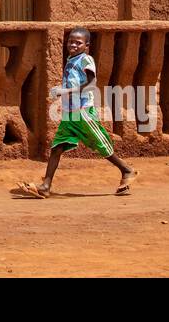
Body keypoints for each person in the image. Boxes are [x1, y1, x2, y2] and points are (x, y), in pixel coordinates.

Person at [11, 27, 137, 199]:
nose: (73, 45)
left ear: (87, 46)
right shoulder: (71, 60)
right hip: (70, 113)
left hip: (83, 111)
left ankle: (126, 170)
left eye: (78, 43)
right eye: (71, 41)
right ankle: (45, 186)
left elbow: (91, 85)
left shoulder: (86, 60)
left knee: (99, 143)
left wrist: (65, 92)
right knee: (57, 147)